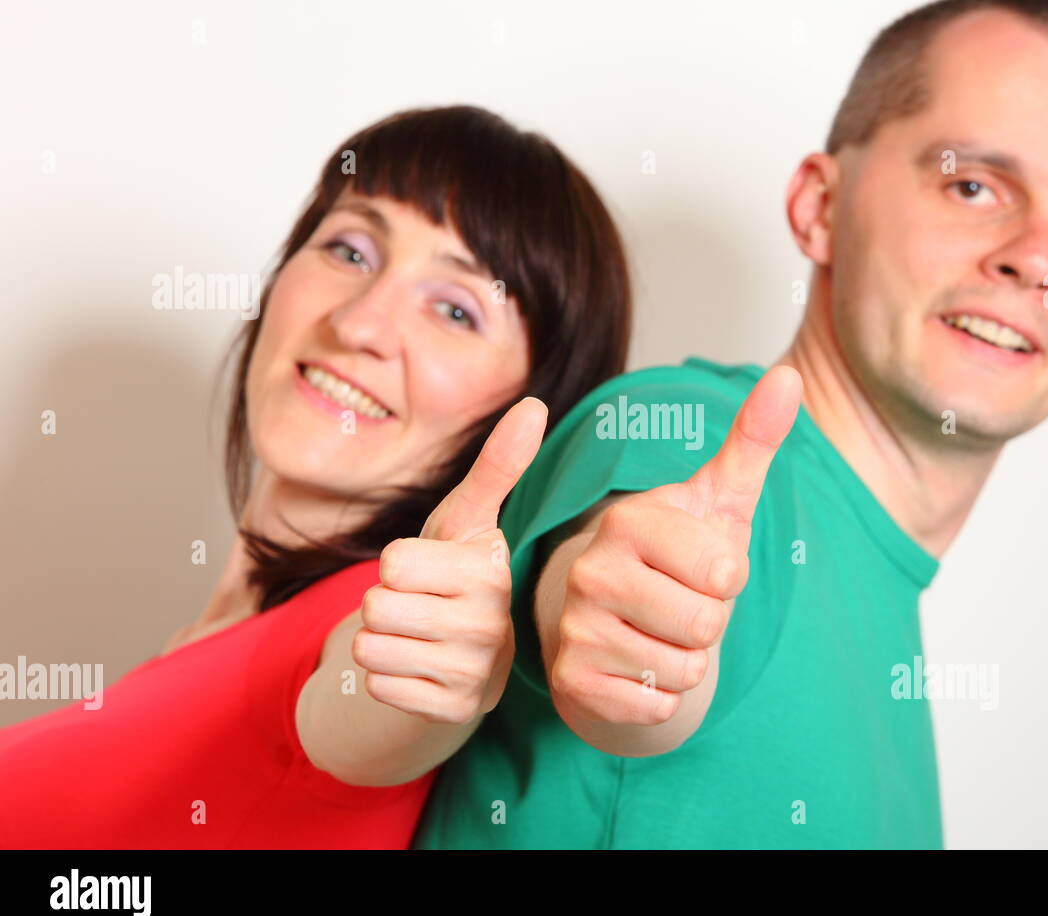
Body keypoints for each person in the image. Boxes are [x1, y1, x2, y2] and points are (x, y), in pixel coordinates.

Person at [412, 0, 1048, 848]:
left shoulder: (885, 599)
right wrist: (619, 623)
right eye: (973, 184)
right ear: (819, 206)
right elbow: (621, 584)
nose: (1036, 257)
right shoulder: (692, 436)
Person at [0, 106, 631, 848]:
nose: (359, 323)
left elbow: (370, 698)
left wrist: (429, 674)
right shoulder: (200, 648)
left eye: (456, 311)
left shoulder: (365, 624)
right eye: (351, 250)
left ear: (527, 406)